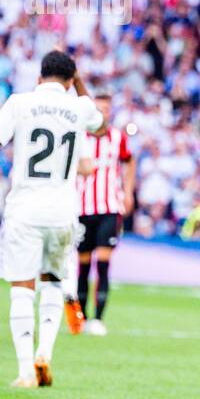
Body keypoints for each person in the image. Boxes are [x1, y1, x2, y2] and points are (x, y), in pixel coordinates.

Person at [0, 51, 103, 389]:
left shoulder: (19, 103)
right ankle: (46, 354)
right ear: (70, 81)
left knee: (22, 288)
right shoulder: (79, 106)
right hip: (62, 212)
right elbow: (101, 123)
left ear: (39, 78)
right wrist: (79, 81)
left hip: (24, 210)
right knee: (53, 281)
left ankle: (26, 370)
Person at [75, 95, 135, 336]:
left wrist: (128, 192)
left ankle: (98, 318)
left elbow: (130, 161)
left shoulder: (117, 138)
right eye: (97, 109)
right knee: (83, 263)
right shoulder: (80, 137)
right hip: (81, 207)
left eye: (105, 110)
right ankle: (81, 317)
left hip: (109, 206)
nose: (101, 114)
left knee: (103, 262)